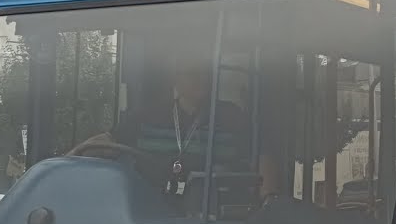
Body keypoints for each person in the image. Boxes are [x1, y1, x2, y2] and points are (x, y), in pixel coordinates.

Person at [70, 47, 280, 201]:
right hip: (149, 216)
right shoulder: (148, 116)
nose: (201, 78)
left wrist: (268, 200)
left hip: (214, 218)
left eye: (206, 73)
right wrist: (65, 161)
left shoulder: (231, 117)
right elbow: (107, 143)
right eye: (193, 73)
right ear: (176, 79)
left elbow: (263, 155)